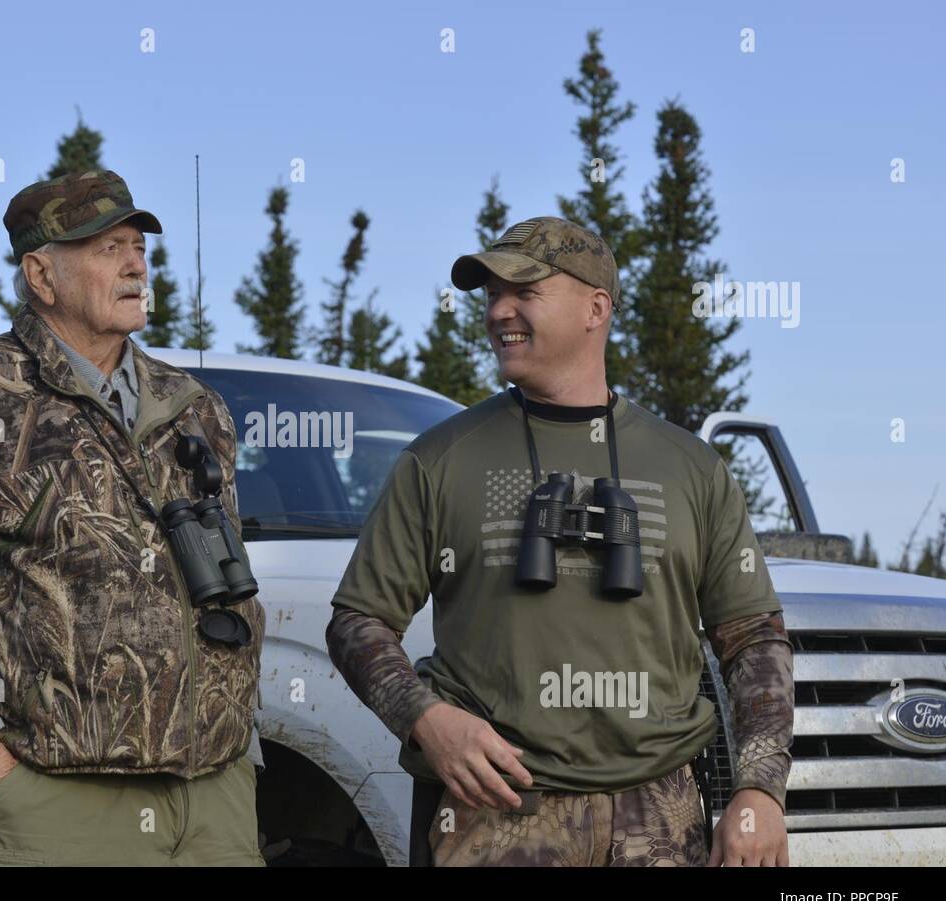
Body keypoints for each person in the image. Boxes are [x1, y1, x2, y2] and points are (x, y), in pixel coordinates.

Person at [326, 216, 793, 866]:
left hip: (661, 819)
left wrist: (760, 790)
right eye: (491, 294)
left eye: (523, 291)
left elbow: (754, 641)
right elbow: (358, 623)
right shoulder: (440, 460)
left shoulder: (690, 467)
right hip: (496, 814)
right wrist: (428, 722)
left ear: (595, 307)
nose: (499, 312)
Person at [0, 169, 266, 866]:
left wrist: (242, 751)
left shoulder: (195, 405)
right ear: (41, 276)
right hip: (45, 802)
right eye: (108, 249)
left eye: (138, 246)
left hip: (209, 797)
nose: (136, 264)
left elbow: (229, 585)